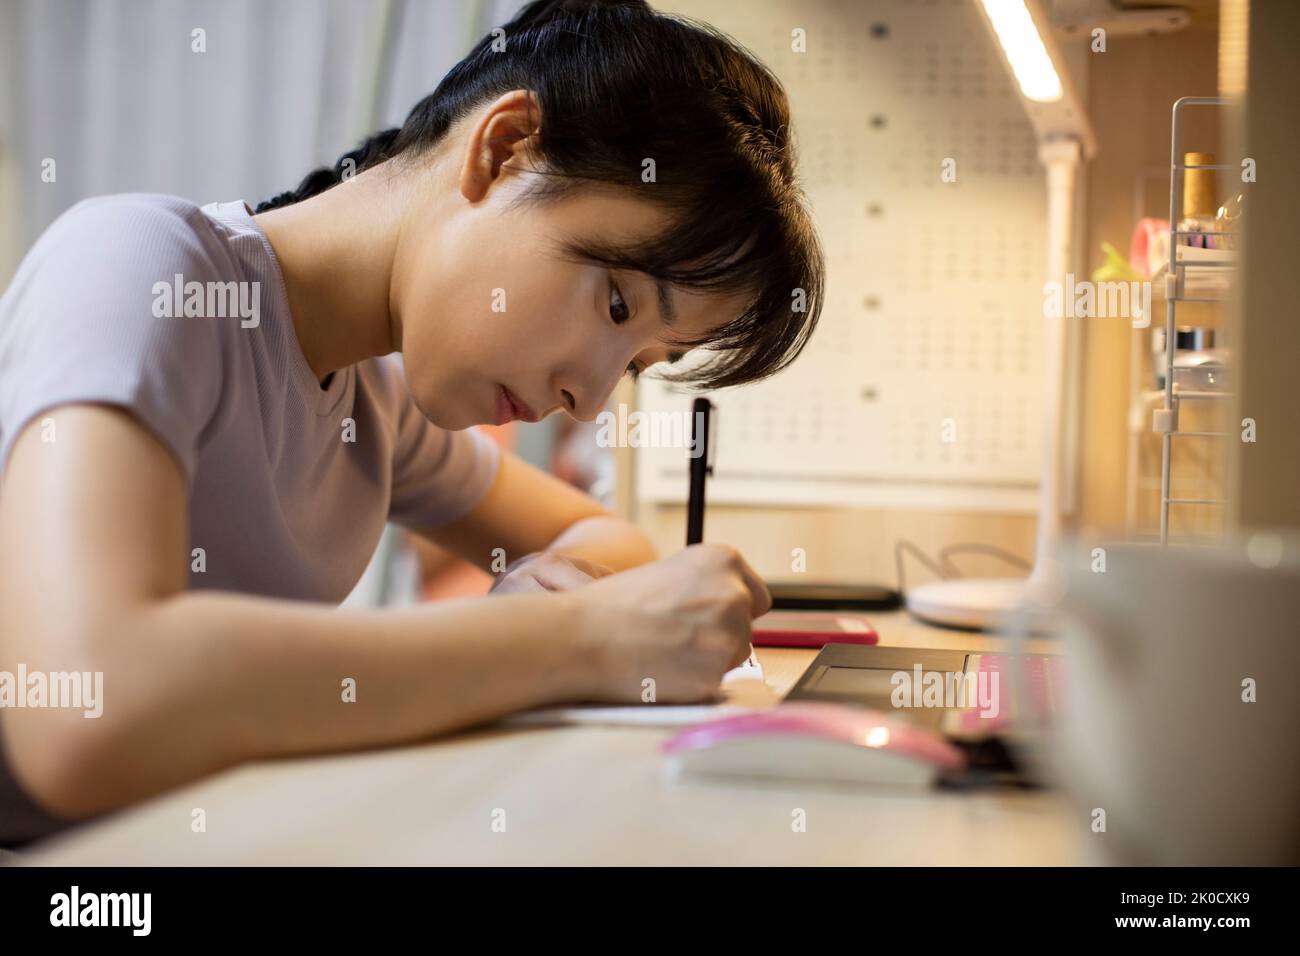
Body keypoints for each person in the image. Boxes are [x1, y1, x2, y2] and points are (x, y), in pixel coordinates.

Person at [0, 0, 823, 833]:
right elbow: (84, 706)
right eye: (617, 303)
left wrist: (549, 604)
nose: (592, 394)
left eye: (641, 364)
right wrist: (575, 641)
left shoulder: (375, 402)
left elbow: (608, 541)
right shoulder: (141, 266)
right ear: (503, 150)